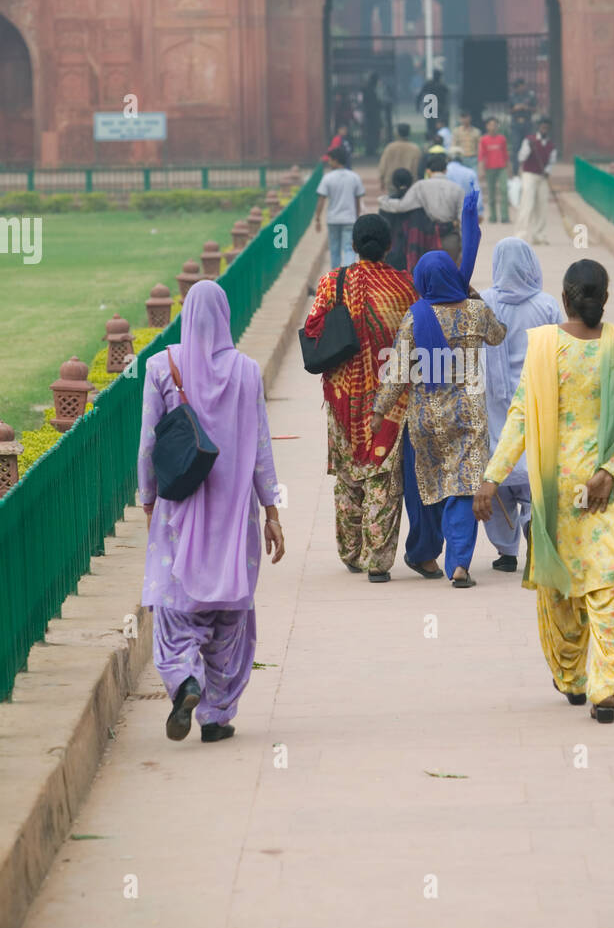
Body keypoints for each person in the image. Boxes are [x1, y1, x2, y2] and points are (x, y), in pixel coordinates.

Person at [474, 259, 614, 722]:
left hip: (560, 488)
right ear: (605, 298)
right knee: (613, 586)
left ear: (563, 297)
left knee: (563, 589)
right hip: (613, 487)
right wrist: (609, 469)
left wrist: (491, 478)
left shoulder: (544, 347)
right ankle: (606, 688)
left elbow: (521, 419)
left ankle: (571, 676)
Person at [137, 281, 285, 744]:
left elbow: (149, 442)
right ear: (225, 316)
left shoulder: (162, 365)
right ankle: (216, 715)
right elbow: (261, 447)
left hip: (180, 510)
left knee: (177, 609)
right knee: (229, 618)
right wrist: (272, 510)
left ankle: (185, 679)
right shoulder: (246, 371)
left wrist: (147, 497)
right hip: (235, 515)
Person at [372, 203, 506, 588]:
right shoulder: (475, 313)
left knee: (428, 486)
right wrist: (475, 296)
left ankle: (425, 551)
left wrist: (380, 411)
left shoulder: (415, 317)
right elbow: (499, 336)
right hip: (469, 413)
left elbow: (398, 371)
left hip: (427, 415)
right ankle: (460, 564)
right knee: (464, 486)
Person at [304, 215, 416, 584]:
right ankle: (378, 562)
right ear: (388, 247)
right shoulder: (405, 286)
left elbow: (314, 326)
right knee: (382, 475)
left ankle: (351, 552)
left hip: (342, 394)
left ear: (353, 245)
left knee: (350, 474)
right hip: (391, 398)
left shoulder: (332, 282)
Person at [479, 239, 562, 571]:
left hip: (494, 401)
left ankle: (506, 552)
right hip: (535, 398)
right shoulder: (547, 305)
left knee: (499, 465)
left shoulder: (485, 301)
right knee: (533, 467)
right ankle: (533, 522)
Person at [379, 152, 465, 269]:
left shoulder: (420, 186)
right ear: (445, 170)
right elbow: (463, 221)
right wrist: (463, 248)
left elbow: (401, 206)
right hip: (451, 239)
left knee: (431, 275)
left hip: (429, 239)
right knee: (450, 275)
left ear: (428, 171)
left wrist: (384, 201)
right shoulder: (458, 189)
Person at [314, 145, 365, 268]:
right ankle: (348, 276)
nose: (329, 162)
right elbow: (357, 199)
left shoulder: (327, 178)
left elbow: (321, 199)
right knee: (349, 248)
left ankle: (335, 277)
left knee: (335, 249)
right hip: (349, 218)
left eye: (330, 160)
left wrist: (317, 218)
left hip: (333, 219)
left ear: (336, 160)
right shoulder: (354, 177)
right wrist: (357, 215)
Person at [515, 117, 557, 245]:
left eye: (546, 127)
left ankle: (539, 235)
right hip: (529, 175)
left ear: (549, 129)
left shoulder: (551, 145)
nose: (544, 128)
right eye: (542, 126)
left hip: (542, 177)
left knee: (542, 206)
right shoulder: (529, 140)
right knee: (527, 204)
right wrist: (529, 148)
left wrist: (547, 170)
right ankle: (520, 235)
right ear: (539, 127)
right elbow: (521, 157)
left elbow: (551, 162)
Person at [477, 115, 511, 224]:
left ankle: (505, 216)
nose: (493, 127)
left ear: (498, 126)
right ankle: (493, 216)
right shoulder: (484, 139)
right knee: (491, 193)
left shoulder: (502, 139)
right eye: (491, 125)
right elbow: (481, 156)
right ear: (487, 126)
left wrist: (509, 169)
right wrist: (481, 170)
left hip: (501, 168)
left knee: (504, 190)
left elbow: (506, 155)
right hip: (489, 168)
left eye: (495, 125)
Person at [378, 122, 422, 191]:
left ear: (397, 133)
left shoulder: (390, 147)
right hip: (410, 184)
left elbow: (383, 165)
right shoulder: (415, 149)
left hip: (392, 182)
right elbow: (418, 168)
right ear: (409, 133)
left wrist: (381, 179)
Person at [446, 147, 484, 216]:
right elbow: (477, 195)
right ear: (462, 158)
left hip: (447, 212)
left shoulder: (445, 172)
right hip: (466, 212)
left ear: (448, 158)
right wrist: (479, 212)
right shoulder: (470, 173)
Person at [509, 77, 536, 169]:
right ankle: (515, 169)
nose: (522, 88)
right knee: (516, 146)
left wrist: (526, 107)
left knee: (529, 145)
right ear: (516, 87)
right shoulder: (512, 96)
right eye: (519, 86)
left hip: (527, 123)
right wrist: (515, 108)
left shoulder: (530, 96)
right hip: (516, 124)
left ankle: (529, 167)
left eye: (523, 86)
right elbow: (508, 110)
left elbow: (535, 109)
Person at [417, 68, 450, 138]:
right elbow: (420, 95)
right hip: (433, 109)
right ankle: (432, 138)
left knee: (434, 125)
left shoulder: (440, 86)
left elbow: (420, 95)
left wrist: (417, 105)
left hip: (434, 109)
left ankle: (435, 138)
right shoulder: (439, 85)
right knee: (433, 125)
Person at [362, 72, 382, 156]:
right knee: (373, 133)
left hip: (369, 115)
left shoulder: (368, 89)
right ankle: (371, 150)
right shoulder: (371, 90)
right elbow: (374, 104)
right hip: (372, 116)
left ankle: (370, 149)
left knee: (370, 133)